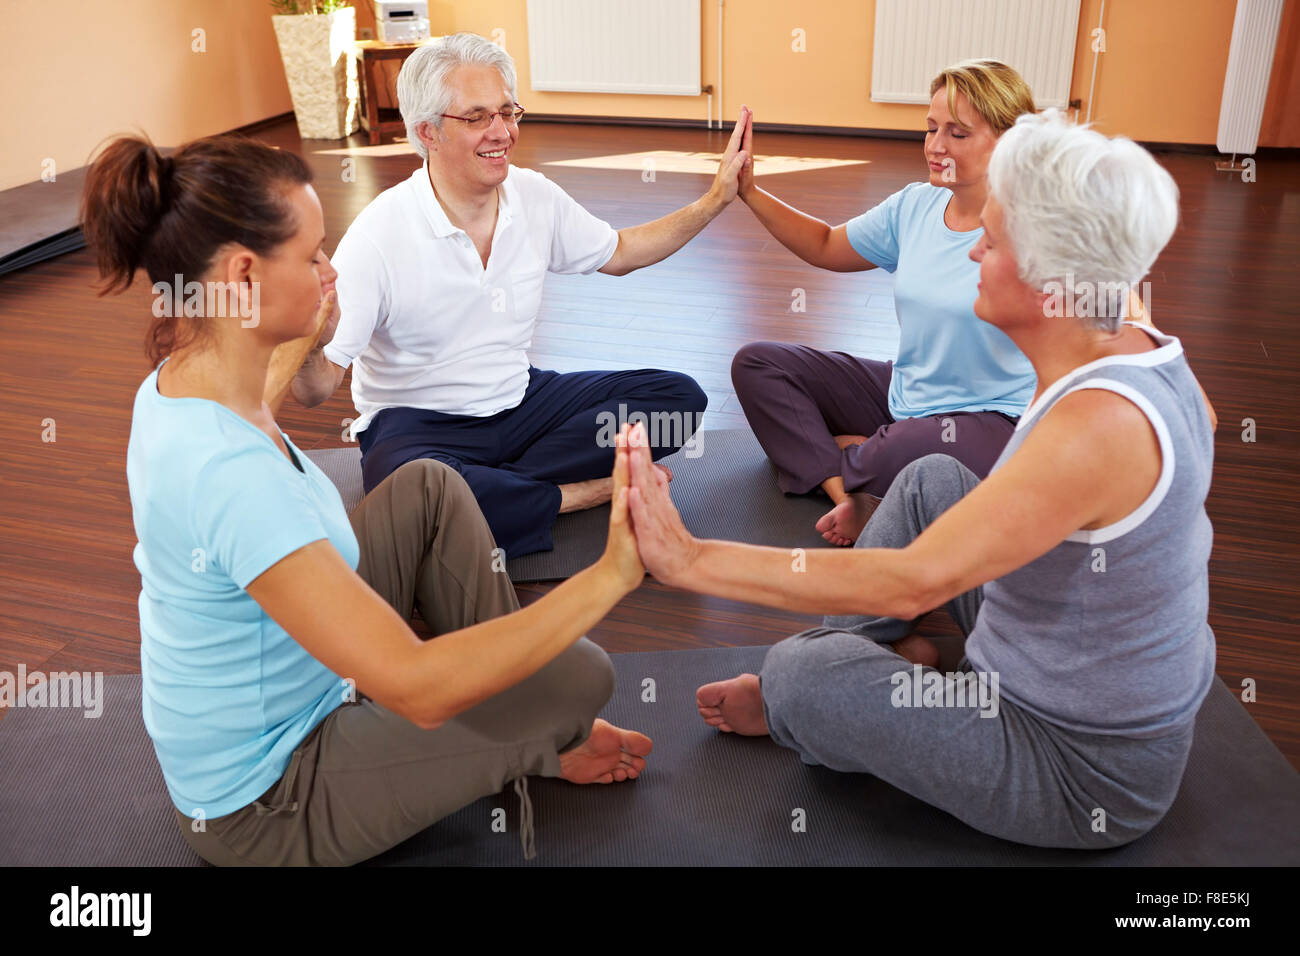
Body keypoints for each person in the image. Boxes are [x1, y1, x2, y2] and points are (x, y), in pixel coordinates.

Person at [621, 109, 1219, 849]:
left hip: (1077, 770)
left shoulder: (1095, 427)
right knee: (935, 476)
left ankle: (799, 696)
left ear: (1048, 283)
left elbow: (911, 583)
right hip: (1049, 658)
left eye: (991, 241)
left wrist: (690, 559)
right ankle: (854, 660)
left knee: (803, 675)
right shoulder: (1131, 338)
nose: (971, 252)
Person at [83, 132, 652, 867]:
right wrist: (614, 570)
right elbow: (413, 689)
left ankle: (527, 718)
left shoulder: (190, 380)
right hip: (268, 800)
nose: (331, 272)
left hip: (301, 676)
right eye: (316, 255)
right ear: (243, 274)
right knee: (583, 677)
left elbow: (278, 387)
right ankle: (535, 727)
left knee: (430, 489)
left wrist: (314, 323)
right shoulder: (226, 473)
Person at [292, 32, 751, 558]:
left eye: (508, 112)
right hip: (420, 426)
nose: (503, 132)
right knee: (409, 480)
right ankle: (568, 496)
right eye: (479, 117)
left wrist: (715, 200)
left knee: (678, 401)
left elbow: (619, 252)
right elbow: (313, 389)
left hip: (521, 403)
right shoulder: (379, 235)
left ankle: (484, 494)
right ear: (427, 132)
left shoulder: (532, 196)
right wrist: (309, 342)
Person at [728, 60, 1039, 545]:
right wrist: (750, 192)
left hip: (993, 417)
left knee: (918, 453)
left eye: (957, 134)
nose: (936, 146)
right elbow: (828, 245)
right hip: (906, 392)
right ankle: (851, 489)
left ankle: (852, 458)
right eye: (931, 128)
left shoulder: (1037, 227)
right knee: (759, 365)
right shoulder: (916, 205)